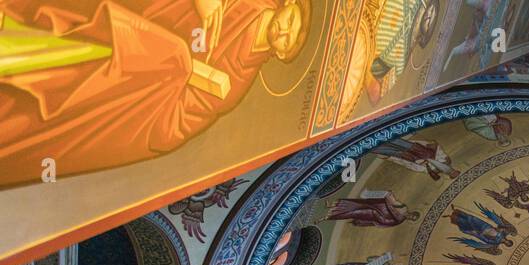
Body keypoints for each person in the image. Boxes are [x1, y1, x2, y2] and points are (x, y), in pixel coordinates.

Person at [0, 0, 312, 187]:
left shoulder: (234, 83)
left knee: (68, 74)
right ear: (288, 5)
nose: (284, 31)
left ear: (282, 55)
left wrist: (170, 64)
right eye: (292, 21)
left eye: (290, 41)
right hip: (135, 10)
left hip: (126, 61)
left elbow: (171, 129)